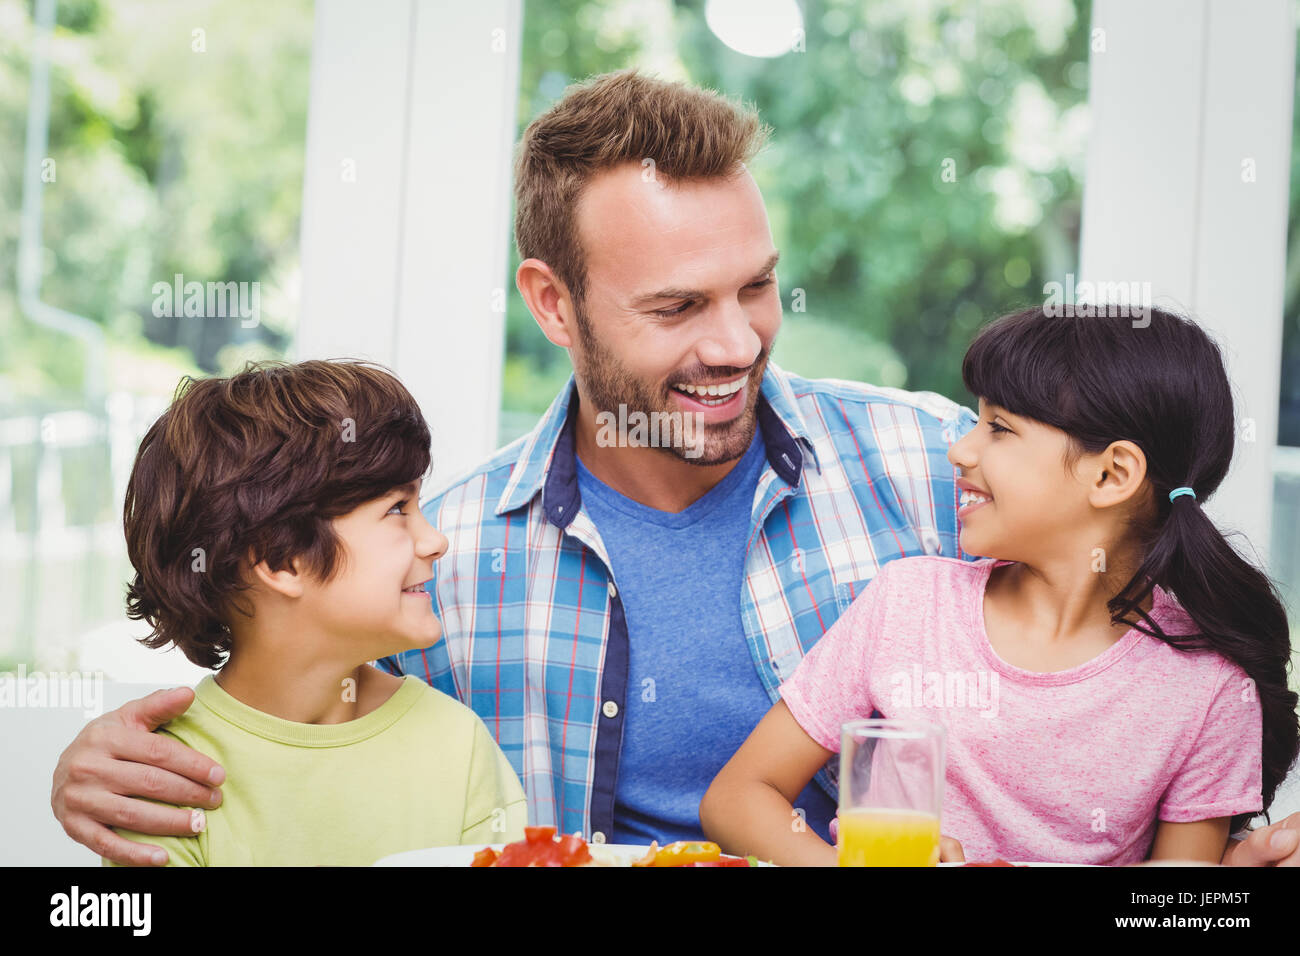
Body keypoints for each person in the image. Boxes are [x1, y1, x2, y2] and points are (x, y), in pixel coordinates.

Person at [52, 70, 1300, 866]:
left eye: (756, 284)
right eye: (676, 304)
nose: (736, 339)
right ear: (554, 302)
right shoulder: (446, 554)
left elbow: (1165, 665)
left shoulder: (945, 468)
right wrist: (107, 761)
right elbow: (286, 699)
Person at [701, 306, 1299, 865]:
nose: (960, 448)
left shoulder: (1210, 689)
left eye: (1000, 429)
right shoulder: (908, 604)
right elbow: (738, 797)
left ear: (1112, 473)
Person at [103, 360, 526, 865]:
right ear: (282, 560)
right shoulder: (166, 775)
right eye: (397, 509)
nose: (435, 541)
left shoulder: (459, 747)